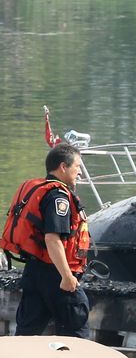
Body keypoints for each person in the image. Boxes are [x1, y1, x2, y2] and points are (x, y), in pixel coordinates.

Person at [1, 143, 92, 337]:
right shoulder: (58, 197)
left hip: (34, 271)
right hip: (55, 273)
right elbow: (52, 238)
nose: (80, 173)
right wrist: (67, 277)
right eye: (77, 167)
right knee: (77, 331)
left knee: (27, 332)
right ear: (63, 167)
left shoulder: (41, 190)